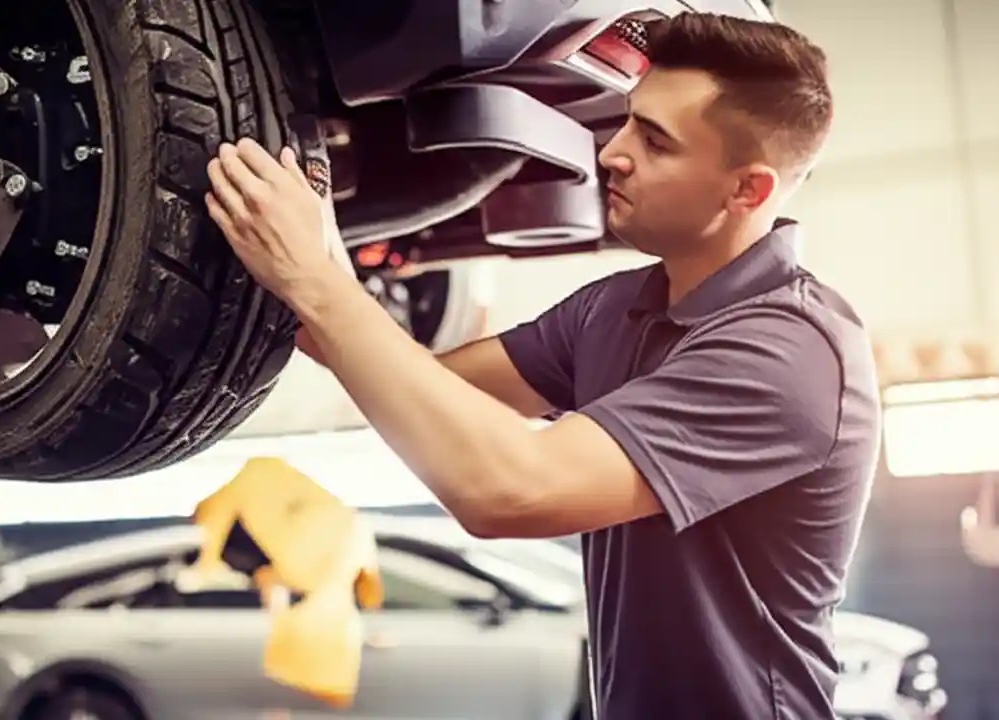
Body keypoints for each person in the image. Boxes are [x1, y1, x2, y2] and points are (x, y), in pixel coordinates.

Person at [202, 11, 881, 720]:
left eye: (656, 142)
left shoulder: (790, 351)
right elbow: (416, 382)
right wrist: (307, 256)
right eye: (626, 122)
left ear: (749, 191)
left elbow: (508, 491)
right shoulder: (615, 309)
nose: (612, 153)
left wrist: (319, 282)